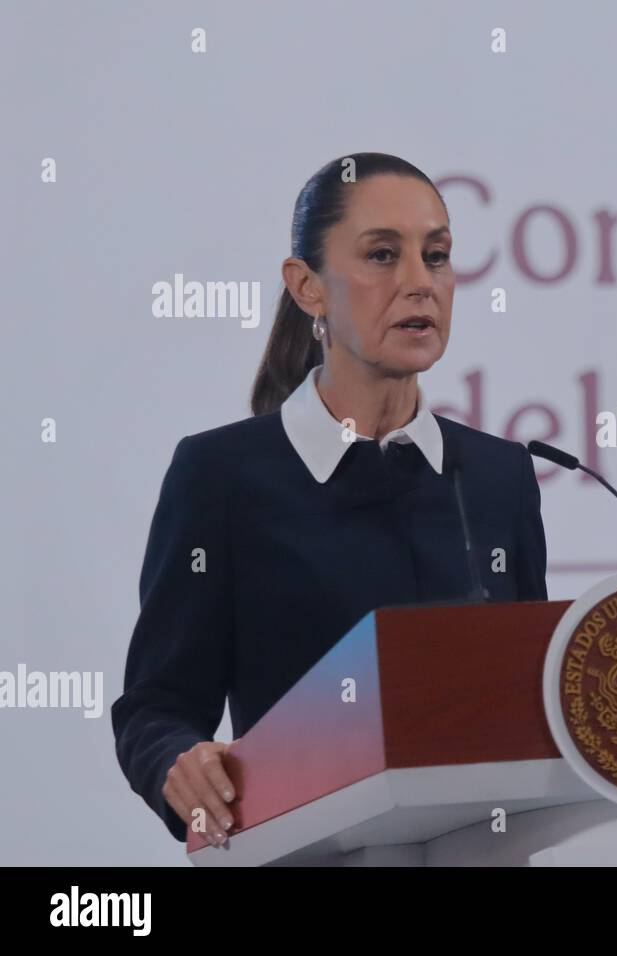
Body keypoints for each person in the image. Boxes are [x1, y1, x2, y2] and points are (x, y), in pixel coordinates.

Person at [111, 153, 548, 846]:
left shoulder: (499, 478)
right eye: (382, 255)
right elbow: (156, 706)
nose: (419, 283)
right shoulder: (222, 476)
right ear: (307, 287)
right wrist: (181, 763)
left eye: (436, 256)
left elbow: (536, 699)